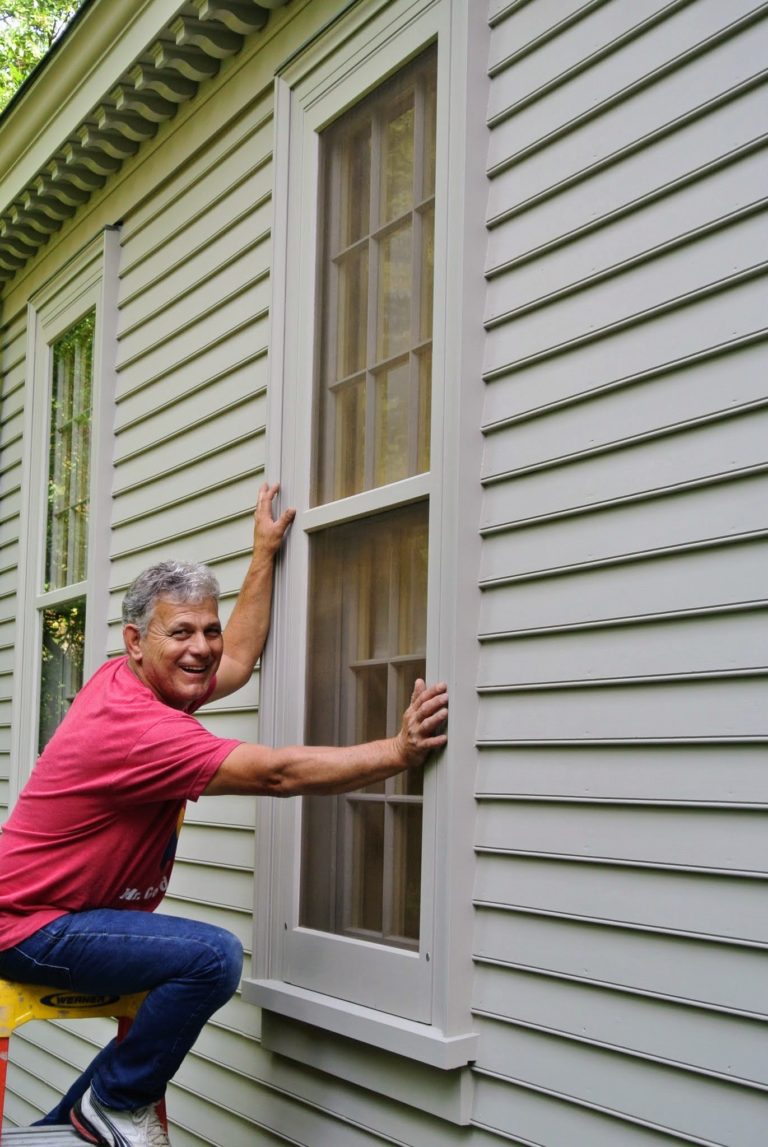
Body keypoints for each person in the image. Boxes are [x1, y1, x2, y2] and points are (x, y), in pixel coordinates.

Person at [0, 483, 448, 1147]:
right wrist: (398, 749)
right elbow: (278, 772)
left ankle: (81, 1114)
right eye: (181, 632)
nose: (202, 647)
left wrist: (263, 553)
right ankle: (113, 1103)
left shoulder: (129, 680)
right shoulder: (137, 726)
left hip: (53, 912)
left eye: (206, 627)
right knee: (209, 958)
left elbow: (236, 658)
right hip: (28, 925)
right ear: (135, 639)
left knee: (173, 985)